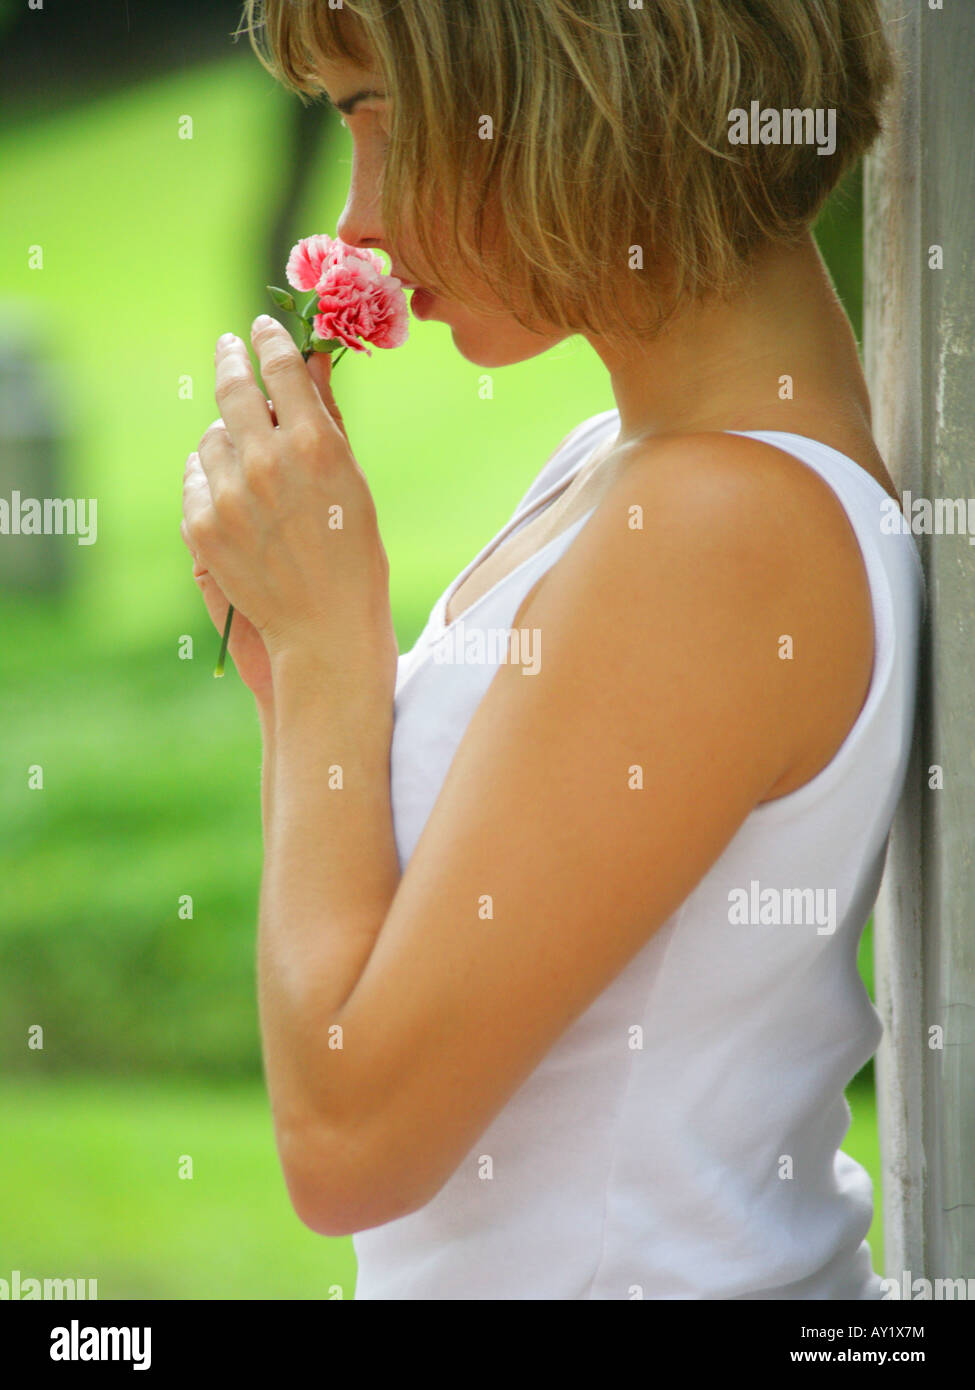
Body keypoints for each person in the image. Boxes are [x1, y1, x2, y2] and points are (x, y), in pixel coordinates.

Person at [184, 0, 924, 1298]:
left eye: (380, 116)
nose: (353, 222)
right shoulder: (620, 472)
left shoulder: (714, 530)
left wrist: (323, 661)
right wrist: (287, 668)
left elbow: (350, 1137)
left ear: (571, 82)